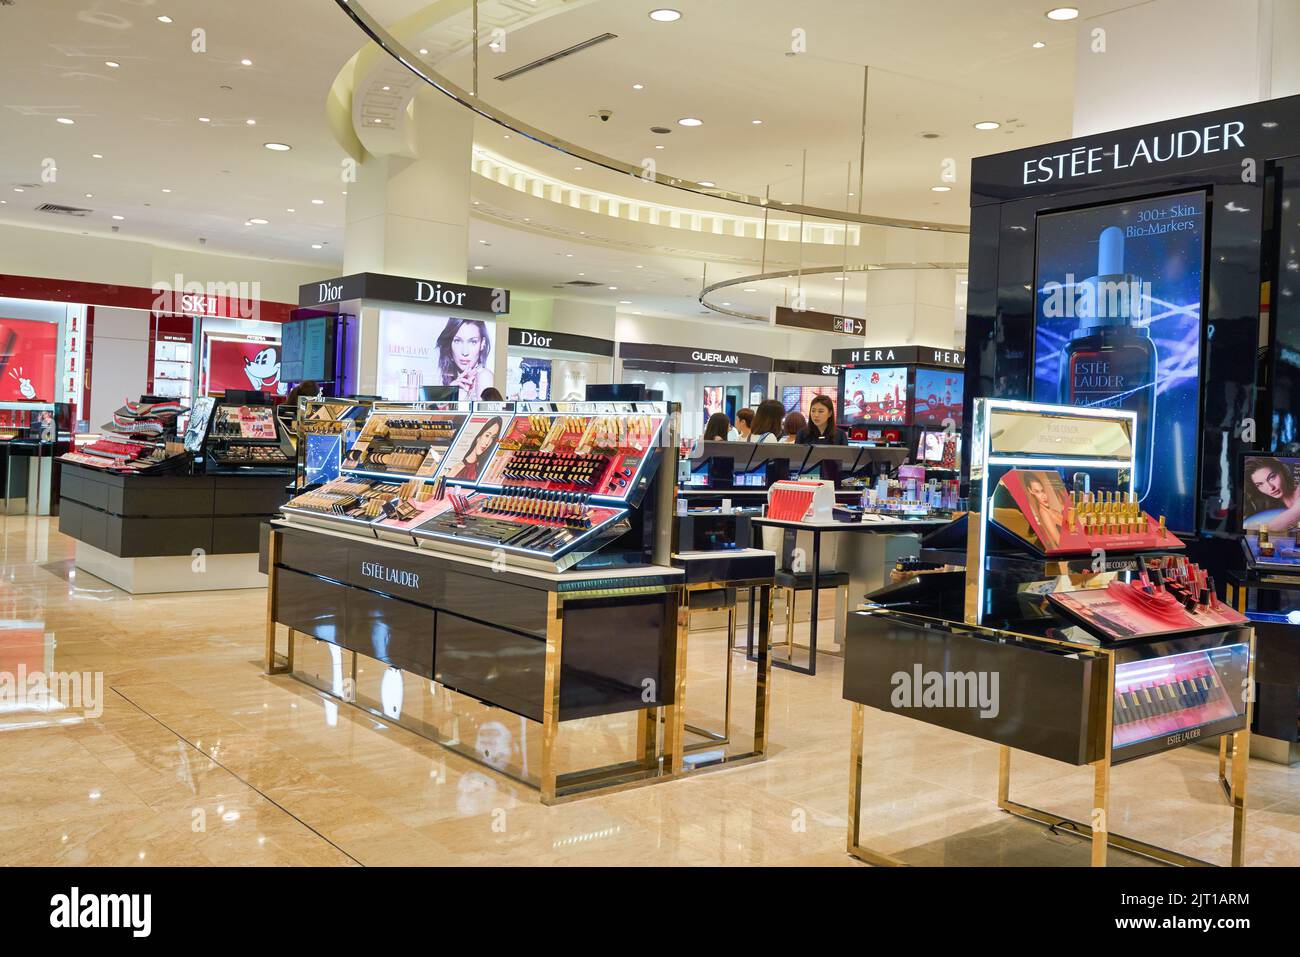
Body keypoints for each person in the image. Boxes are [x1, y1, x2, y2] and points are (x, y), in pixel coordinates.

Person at [437, 318, 495, 399]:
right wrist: (449, 392)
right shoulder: (453, 382)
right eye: (457, 341)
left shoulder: (484, 376)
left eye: (473, 342)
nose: (465, 352)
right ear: (449, 344)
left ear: (482, 343)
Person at [1245, 457, 1300, 532]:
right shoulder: (1275, 508)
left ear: (1283, 471)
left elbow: (1277, 525)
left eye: (1272, 477)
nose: (1271, 487)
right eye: (1260, 484)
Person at [451, 416, 504, 481]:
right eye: (487, 435)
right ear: (478, 437)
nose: (487, 443)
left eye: (492, 438)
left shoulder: (481, 469)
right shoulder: (457, 468)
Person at [1024, 473, 1065, 550]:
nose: (1043, 496)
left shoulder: (1050, 510)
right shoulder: (1044, 513)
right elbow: (1058, 542)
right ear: (1030, 491)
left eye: (1042, 490)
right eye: (1037, 492)